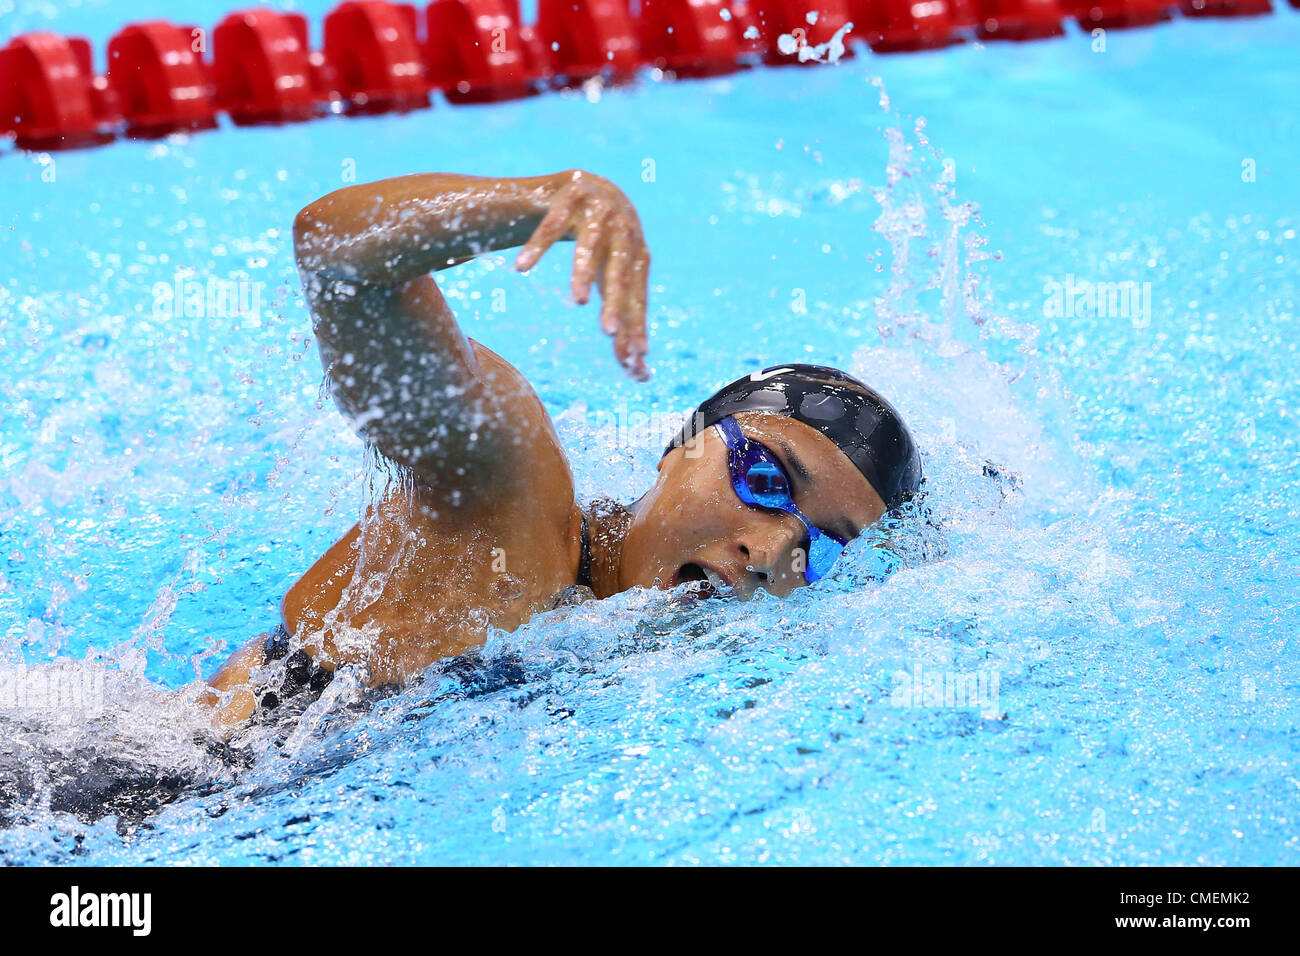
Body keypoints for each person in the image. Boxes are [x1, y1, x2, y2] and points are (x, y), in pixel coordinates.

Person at [204, 169, 921, 727]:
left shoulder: (635, 648)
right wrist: (546, 199)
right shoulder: (505, 499)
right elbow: (336, 255)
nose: (771, 556)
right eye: (766, 480)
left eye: (822, 546)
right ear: (684, 444)